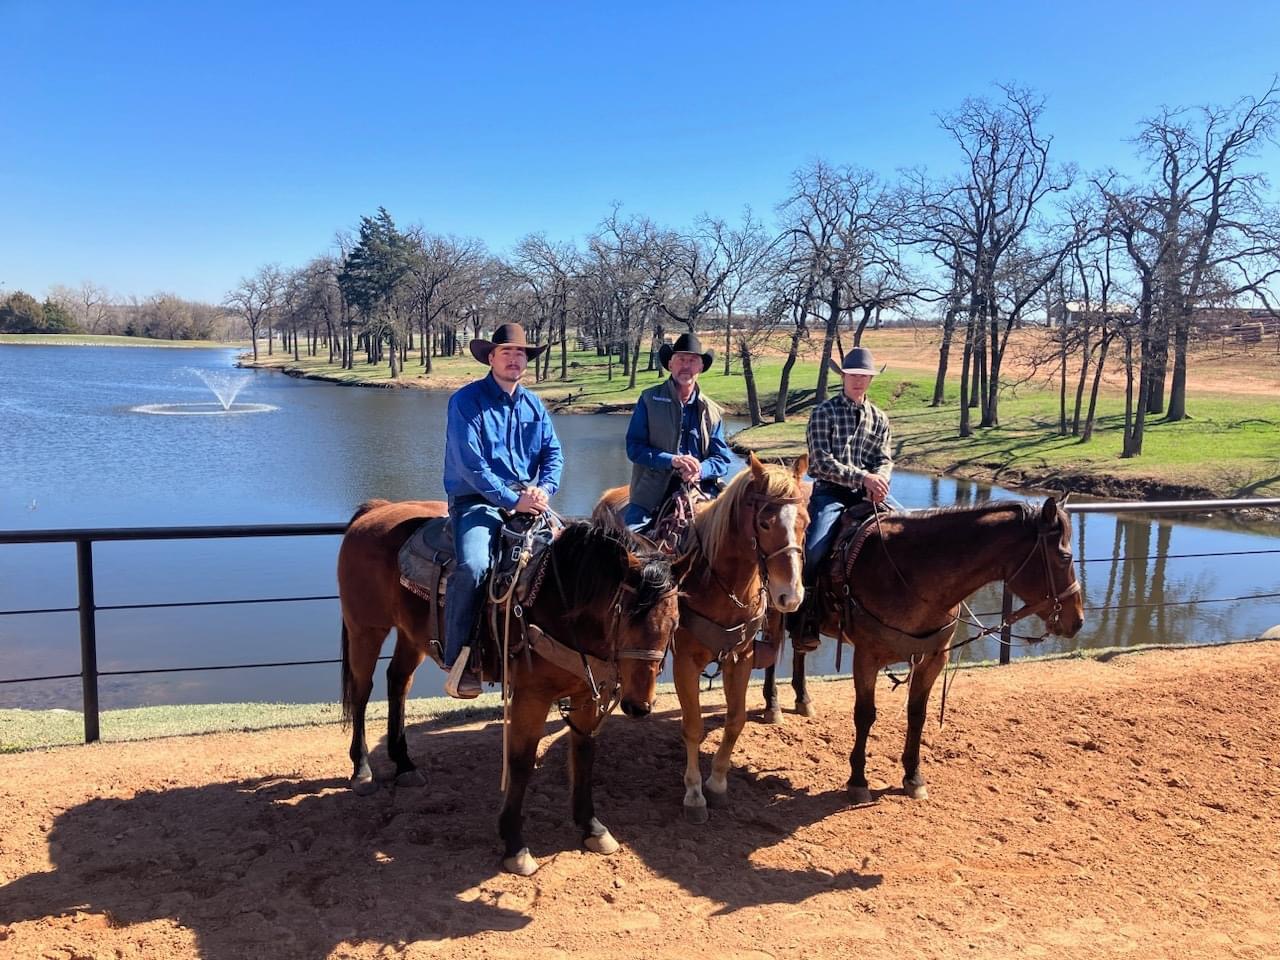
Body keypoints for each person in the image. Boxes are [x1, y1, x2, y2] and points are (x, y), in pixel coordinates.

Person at [441, 323, 564, 699]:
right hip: (477, 500)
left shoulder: (533, 404)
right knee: (476, 565)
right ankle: (459, 658)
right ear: (490, 358)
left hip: (530, 500)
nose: (514, 359)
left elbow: (553, 455)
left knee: (570, 560)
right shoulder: (466, 401)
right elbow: (470, 464)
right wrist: (512, 501)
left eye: (521, 354)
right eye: (507, 352)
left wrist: (542, 490)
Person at [790, 345, 894, 646]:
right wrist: (864, 477)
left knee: (908, 535)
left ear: (871, 380)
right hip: (830, 493)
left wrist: (881, 480)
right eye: (853, 375)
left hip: (870, 494)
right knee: (814, 550)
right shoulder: (823, 412)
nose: (858, 381)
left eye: (864, 376)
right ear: (843, 376)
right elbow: (821, 461)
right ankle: (803, 618)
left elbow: (884, 458)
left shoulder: (879, 418)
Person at [623, 332, 733, 532]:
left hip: (702, 490)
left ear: (701, 367)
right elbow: (634, 448)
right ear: (670, 365)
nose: (686, 366)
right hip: (652, 492)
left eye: (692, 361)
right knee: (626, 540)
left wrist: (700, 469)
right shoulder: (649, 399)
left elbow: (722, 460)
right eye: (681, 359)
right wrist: (672, 460)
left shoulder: (713, 411)